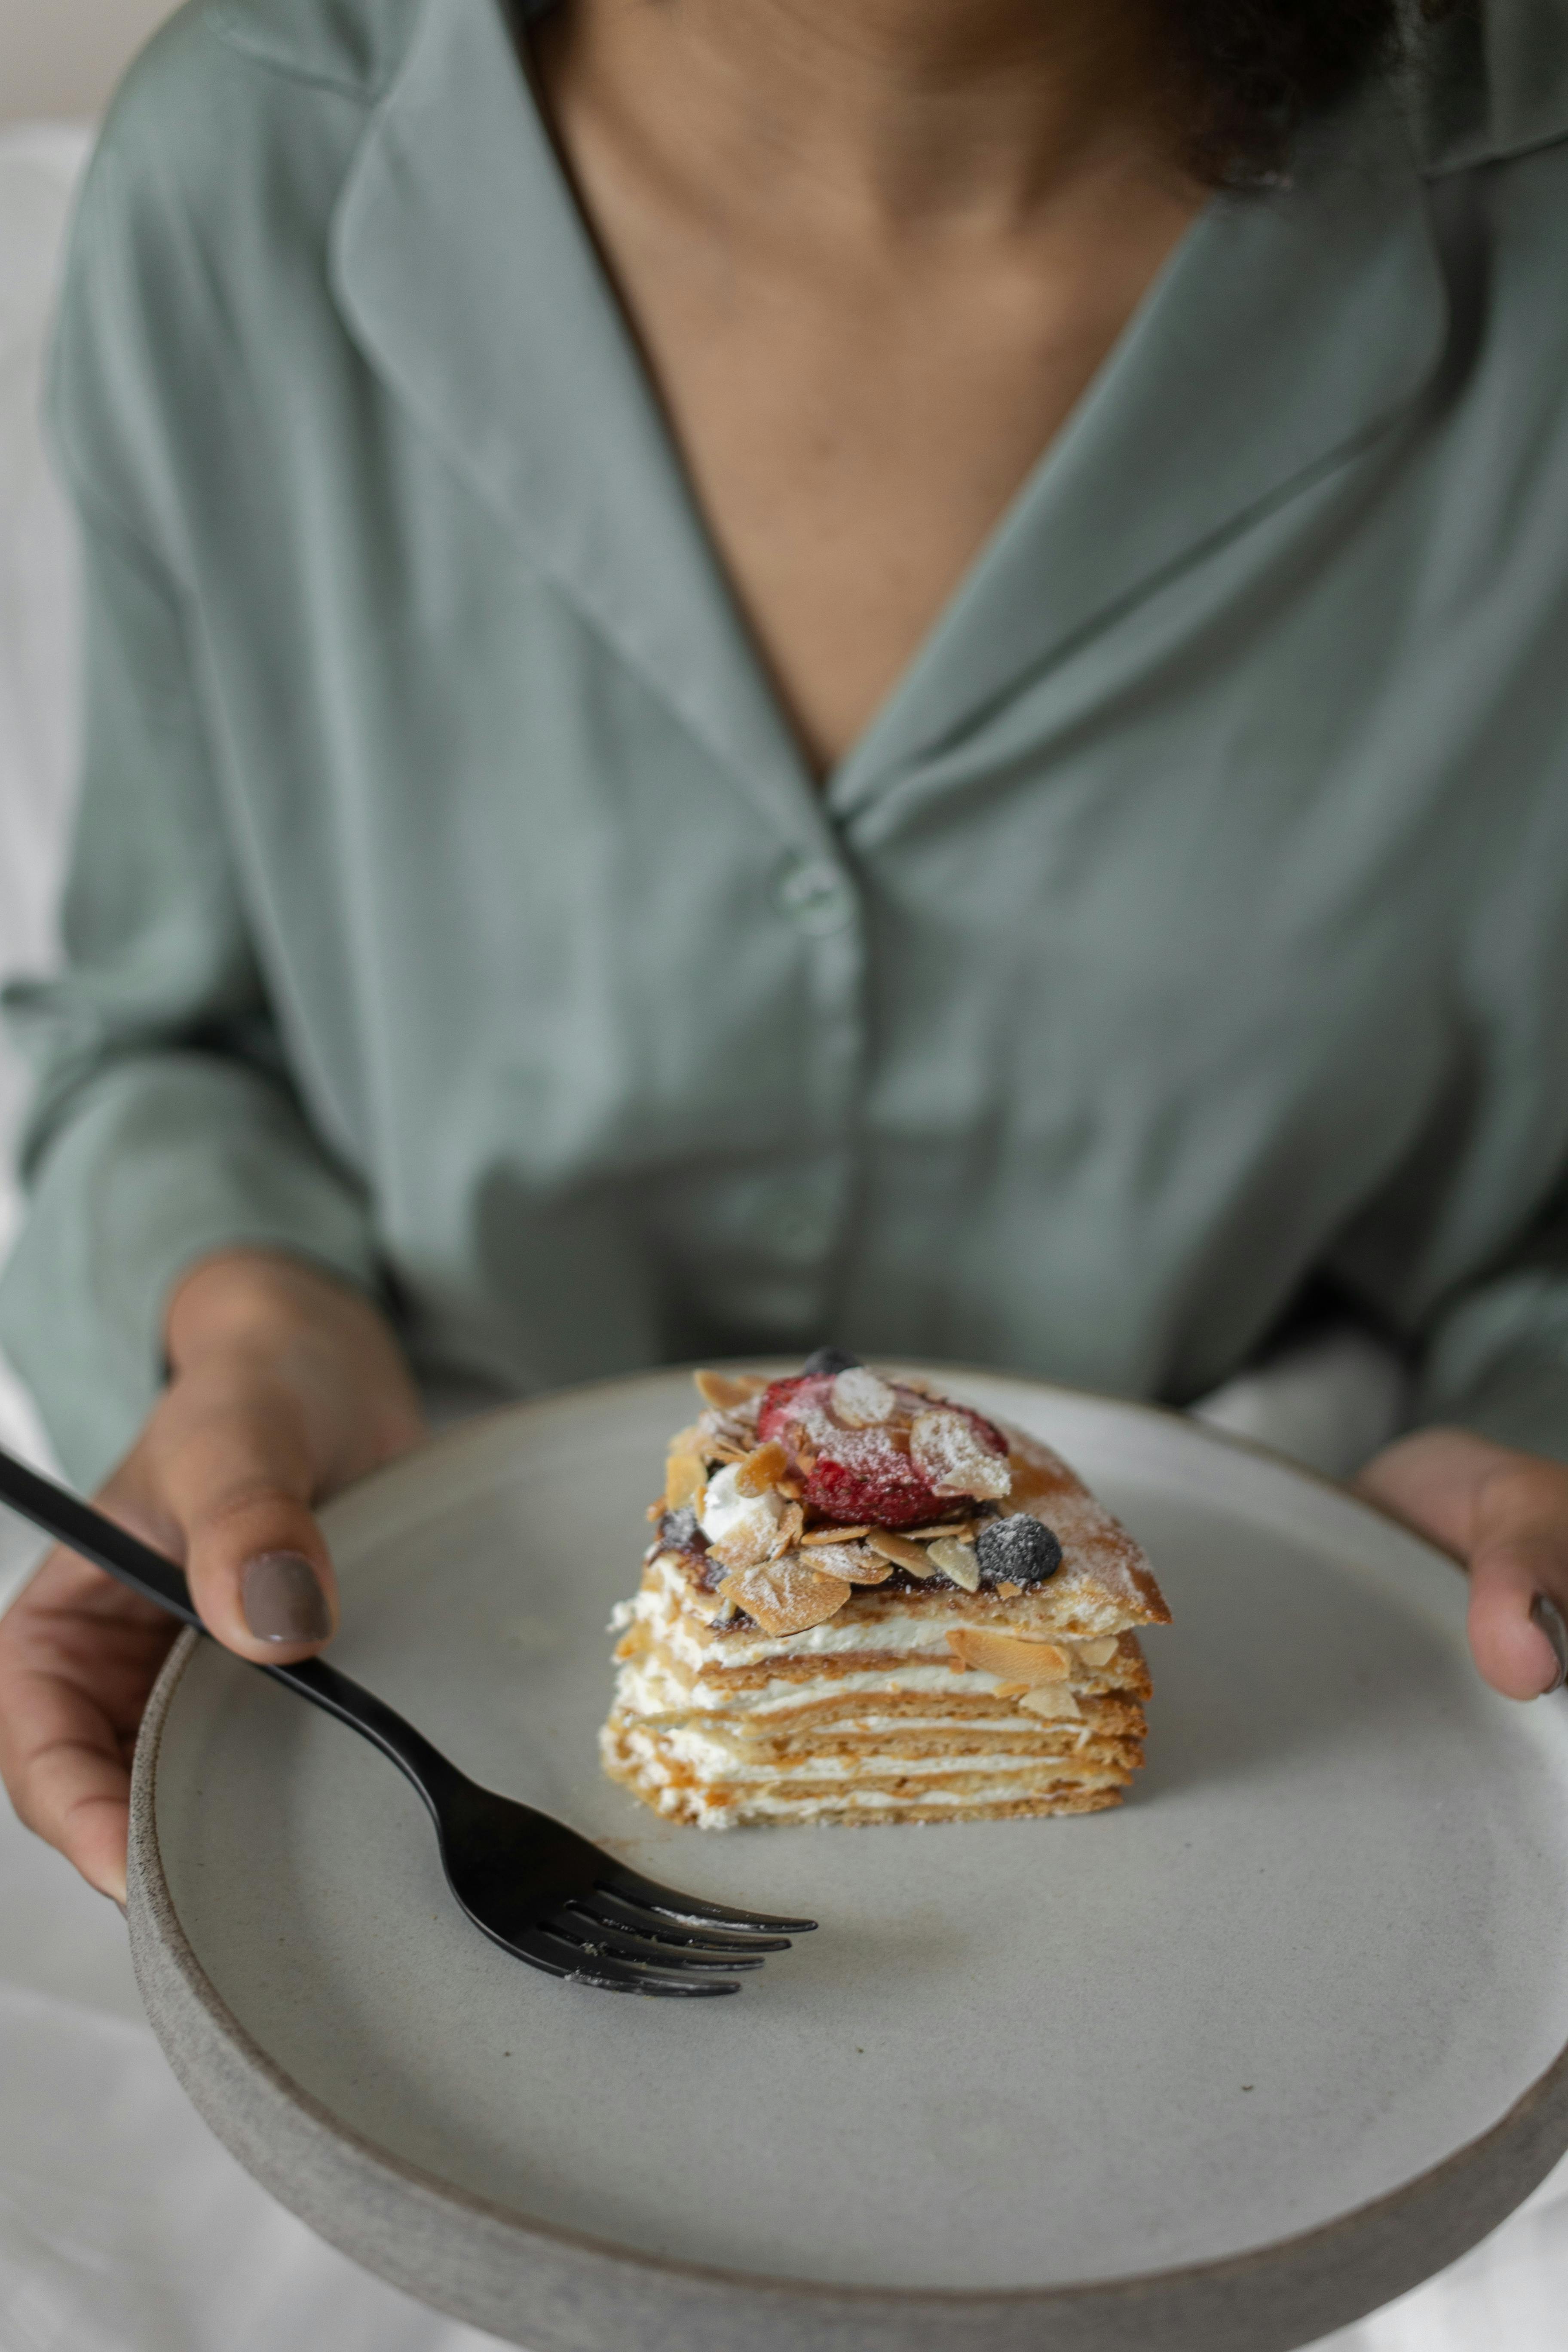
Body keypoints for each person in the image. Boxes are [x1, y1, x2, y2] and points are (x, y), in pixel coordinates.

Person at [1, 0, 1567, 1908]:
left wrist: (1526, 1436)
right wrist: (249, 1324)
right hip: (402, 1633)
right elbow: (162, 1037)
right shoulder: (249, 171)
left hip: (1310, 1710)